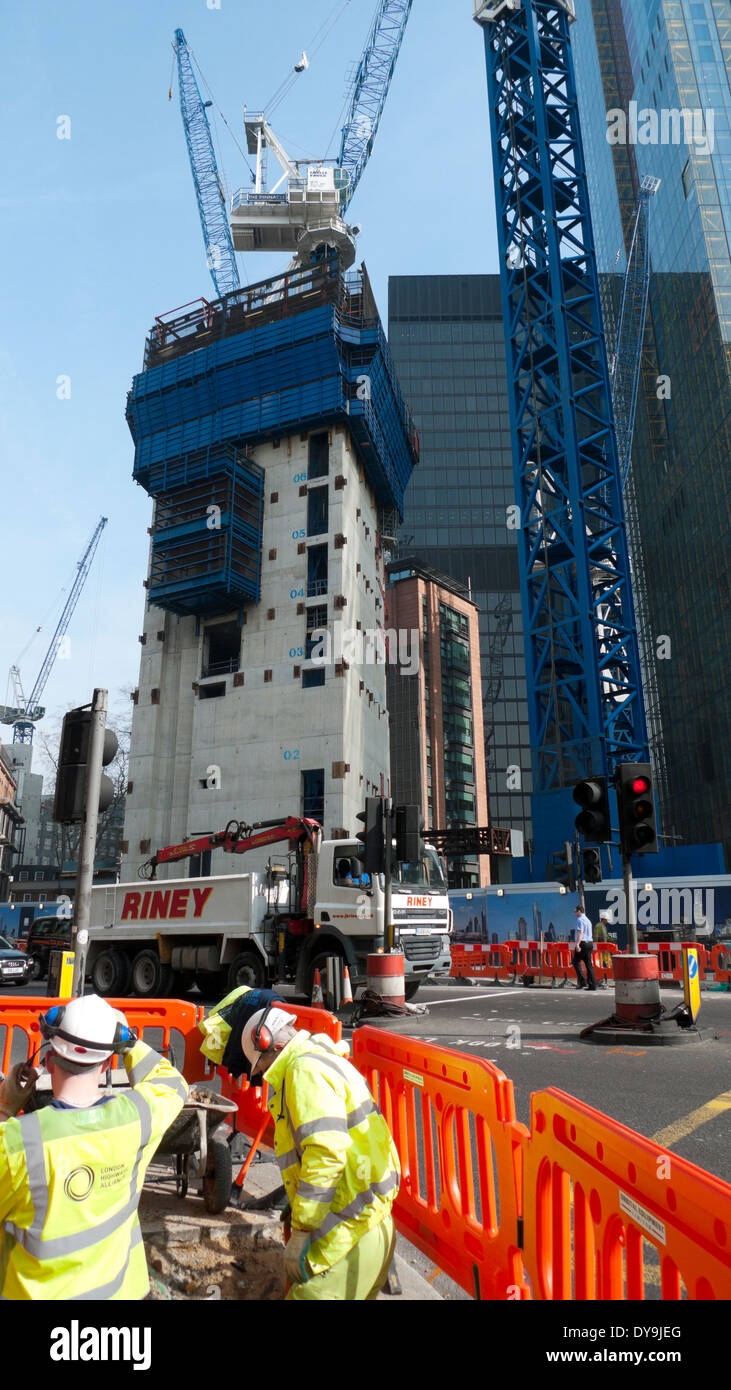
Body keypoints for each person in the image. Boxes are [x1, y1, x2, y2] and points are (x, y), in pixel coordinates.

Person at [0, 994, 187, 1300]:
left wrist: (5, 1107)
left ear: (48, 1062)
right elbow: (173, 1083)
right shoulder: (136, 1119)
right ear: (104, 1065)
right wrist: (129, 1042)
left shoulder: (17, 1142)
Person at [241, 1005, 401, 1301]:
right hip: (370, 1224)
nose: (264, 1075)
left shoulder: (304, 1072)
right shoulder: (323, 1060)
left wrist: (303, 1228)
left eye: (261, 1067)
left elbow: (325, 1154)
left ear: (272, 1045)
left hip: (347, 1235)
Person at [573, 904, 597, 990]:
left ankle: (583, 982)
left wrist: (577, 944)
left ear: (579, 911)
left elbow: (580, 933)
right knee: (588, 964)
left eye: (575, 911)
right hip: (590, 943)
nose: (574, 913)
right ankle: (592, 985)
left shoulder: (579, 920)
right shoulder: (587, 920)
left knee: (575, 962)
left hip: (583, 943)